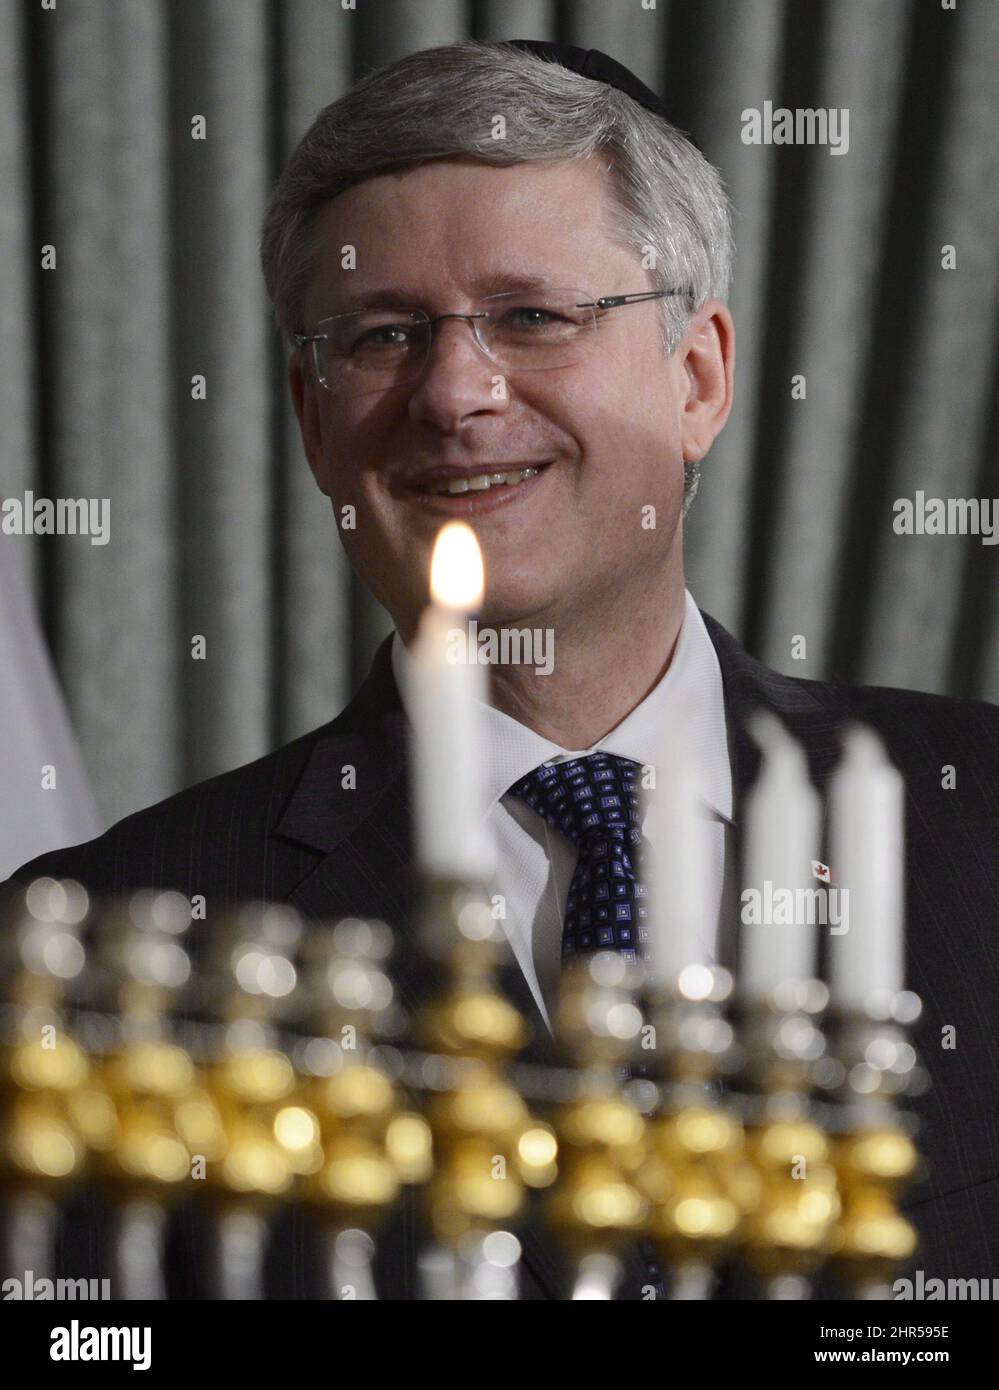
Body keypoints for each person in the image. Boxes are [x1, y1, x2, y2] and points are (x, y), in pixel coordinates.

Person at [6, 39, 998, 1298]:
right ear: (315, 426)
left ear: (697, 378)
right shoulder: (97, 954)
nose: (456, 391)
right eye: (383, 335)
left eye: (532, 316)